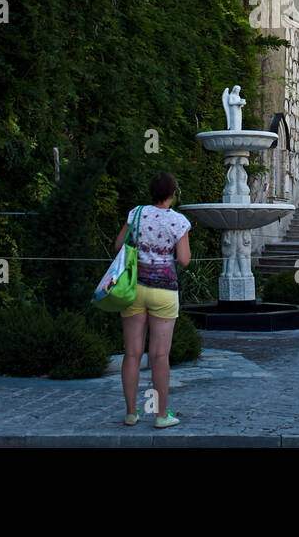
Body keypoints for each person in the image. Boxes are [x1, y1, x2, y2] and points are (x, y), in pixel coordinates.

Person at [116, 171, 191, 429]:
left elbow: (119, 245)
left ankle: (130, 413)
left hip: (134, 289)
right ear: (172, 194)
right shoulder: (178, 221)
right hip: (164, 291)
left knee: (132, 353)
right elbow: (183, 259)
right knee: (160, 356)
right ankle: (161, 415)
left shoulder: (136, 214)